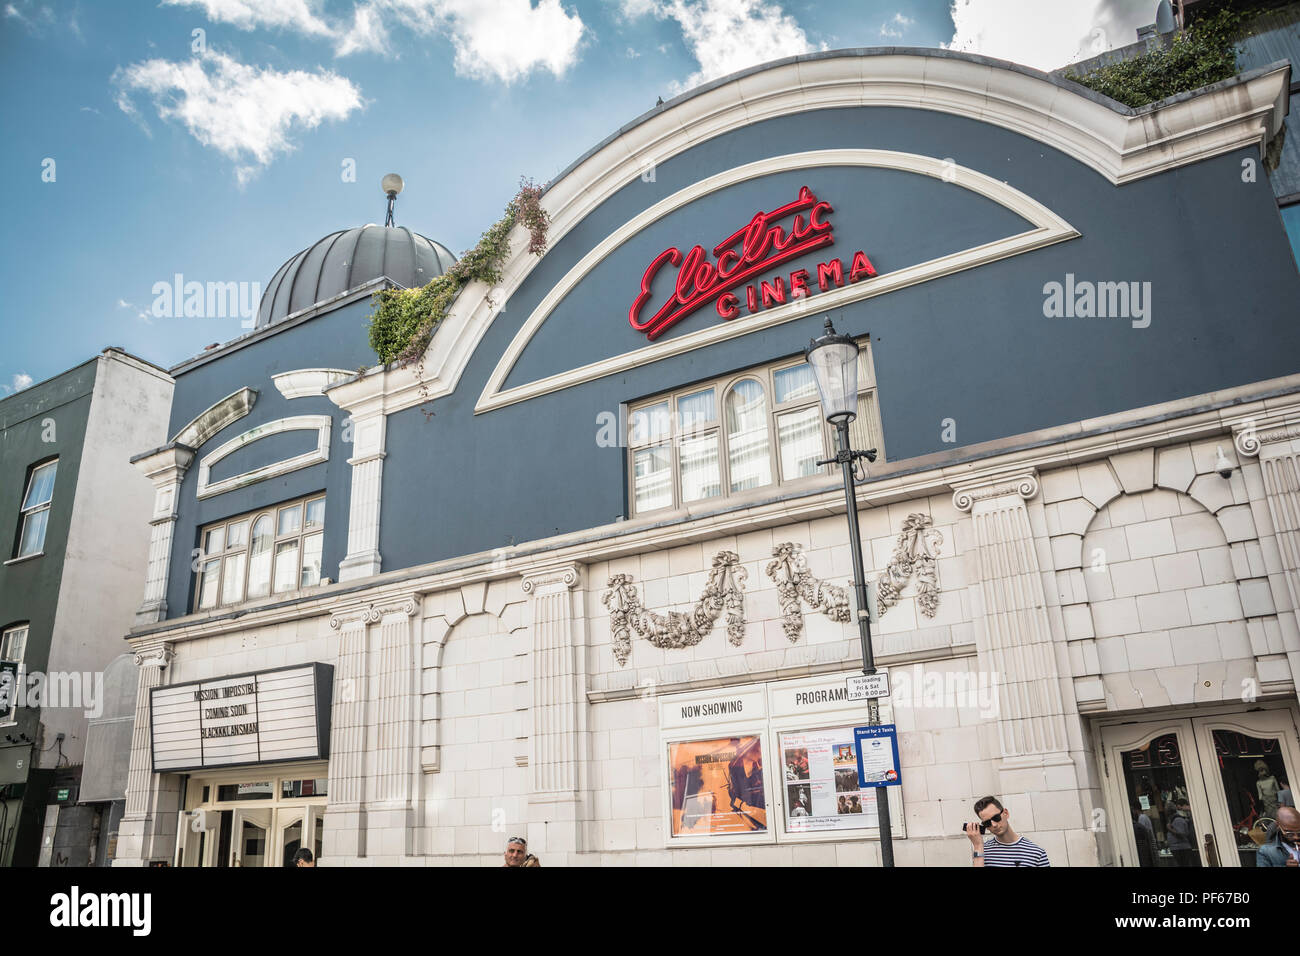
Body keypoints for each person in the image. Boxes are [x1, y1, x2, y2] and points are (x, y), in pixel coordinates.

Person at [965, 796, 1050, 867]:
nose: (994, 825)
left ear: (1006, 813)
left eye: (996, 818)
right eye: (987, 823)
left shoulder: (1036, 853)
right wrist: (978, 846)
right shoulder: (982, 851)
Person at [1165, 799, 1199, 867]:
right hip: (1178, 849)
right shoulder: (1173, 820)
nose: (1165, 812)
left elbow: (1182, 834)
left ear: (1169, 811)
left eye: (1166, 810)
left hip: (1181, 849)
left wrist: (1170, 829)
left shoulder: (1178, 820)